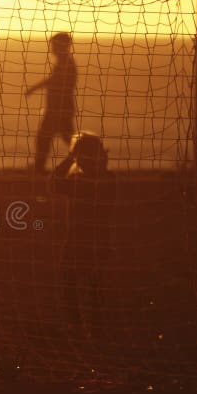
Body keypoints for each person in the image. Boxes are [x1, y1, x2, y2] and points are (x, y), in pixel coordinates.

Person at [51, 132, 115, 336]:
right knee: (83, 283)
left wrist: (70, 157)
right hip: (93, 242)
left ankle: (80, 324)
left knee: (75, 282)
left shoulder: (79, 182)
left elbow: (52, 182)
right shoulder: (106, 179)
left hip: (82, 242)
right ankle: (86, 325)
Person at [24, 32, 78, 174]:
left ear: (62, 46)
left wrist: (33, 88)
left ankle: (39, 168)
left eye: (54, 45)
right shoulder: (64, 62)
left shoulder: (66, 63)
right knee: (48, 139)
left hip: (59, 110)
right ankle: (39, 166)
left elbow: (55, 82)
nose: (52, 48)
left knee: (49, 138)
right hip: (58, 109)